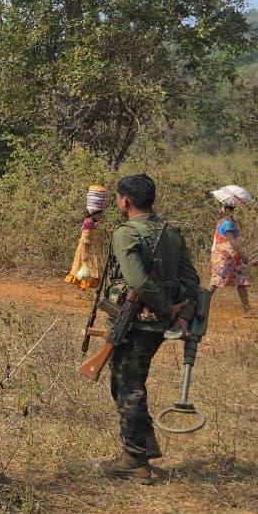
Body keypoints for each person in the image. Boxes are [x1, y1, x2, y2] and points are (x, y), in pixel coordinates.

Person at [92, 174, 200, 482]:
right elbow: (192, 283)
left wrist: (165, 308)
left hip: (137, 322)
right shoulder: (171, 233)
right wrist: (180, 315)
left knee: (128, 386)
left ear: (125, 200)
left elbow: (137, 281)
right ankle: (137, 452)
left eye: (117, 198)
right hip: (158, 326)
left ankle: (136, 459)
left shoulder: (126, 233)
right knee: (131, 383)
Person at [208, 187, 254, 317]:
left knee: (240, 281)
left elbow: (234, 243)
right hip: (225, 256)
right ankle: (201, 305)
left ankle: (247, 309)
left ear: (226, 209)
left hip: (231, 256)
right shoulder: (227, 223)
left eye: (221, 206)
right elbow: (232, 242)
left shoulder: (229, 222)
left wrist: (244, 256)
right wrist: (247, 257)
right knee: (216, 282)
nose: (219, 209)